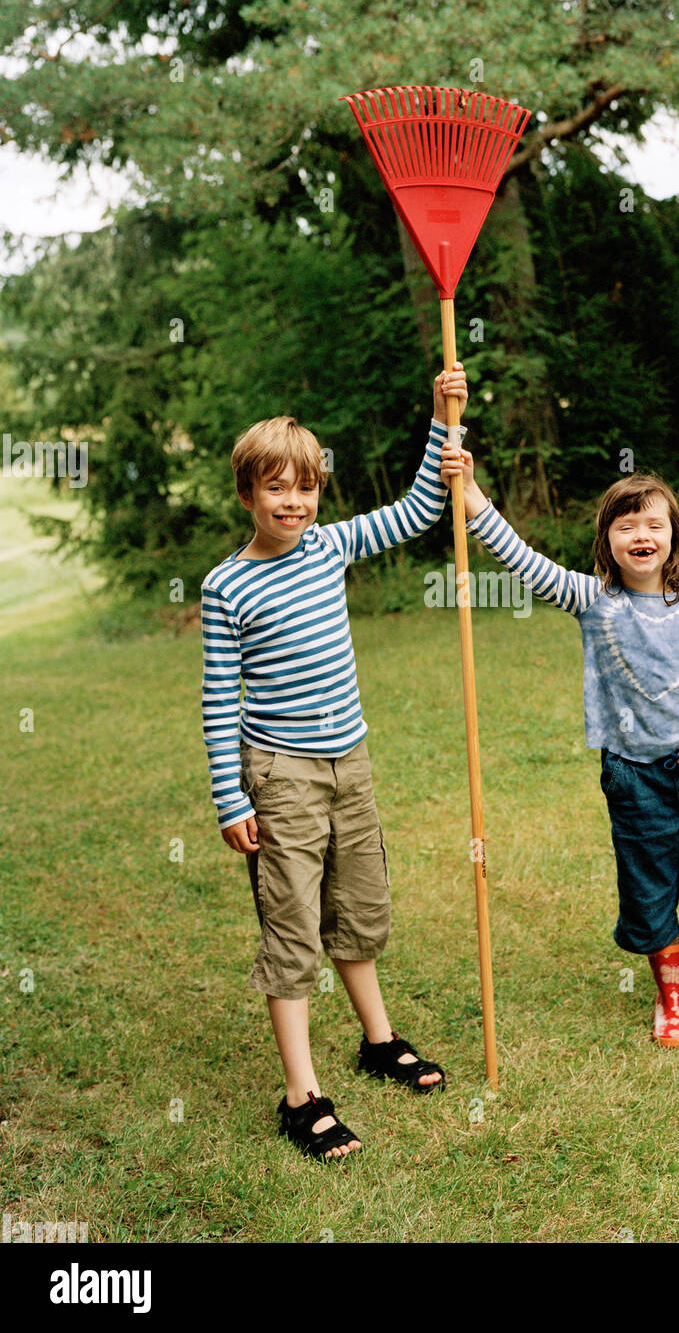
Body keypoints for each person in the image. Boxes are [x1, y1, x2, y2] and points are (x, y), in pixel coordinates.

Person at [200, 364, 468, 1164]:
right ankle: (301, 1095)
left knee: (358, 909)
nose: (294, 503)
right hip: (280, 775)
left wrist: (440, 418)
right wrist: (229, 797)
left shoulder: (331, 546)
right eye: (275, 489)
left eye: (306, 488)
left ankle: (379, 1042)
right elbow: (220, 701)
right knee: (292, 929)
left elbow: (422, 507)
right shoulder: (226, 586)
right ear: (247, 495)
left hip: (349, 762)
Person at [440, 444, 679, 1055]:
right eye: (626, 524)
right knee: (649, 888)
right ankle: (671, 1005)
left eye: (653, 524)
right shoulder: (593, 600)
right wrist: (472, 494)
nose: (641, 535)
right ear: (607, 540)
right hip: (634, 777)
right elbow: (522, 560)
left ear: (673, 536)